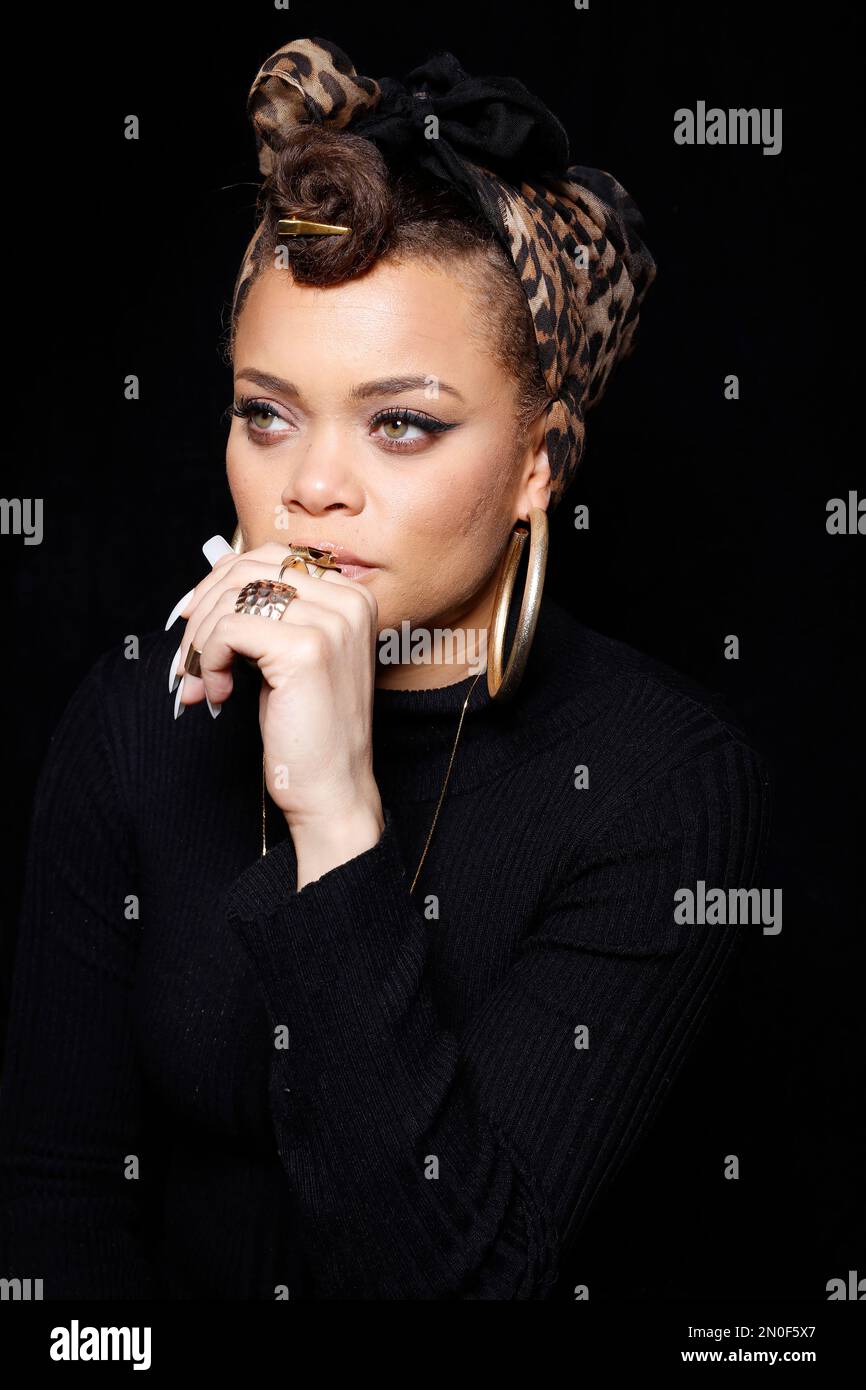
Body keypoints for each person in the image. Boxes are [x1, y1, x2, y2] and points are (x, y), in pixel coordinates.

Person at [0, 36, 770, 1300]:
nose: (309, 488)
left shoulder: (661, 788)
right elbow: (53, 1202)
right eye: (267, 412)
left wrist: (339, 821)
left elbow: (462, 1289)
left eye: (401, 423)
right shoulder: (138, 717)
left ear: (540, 464)